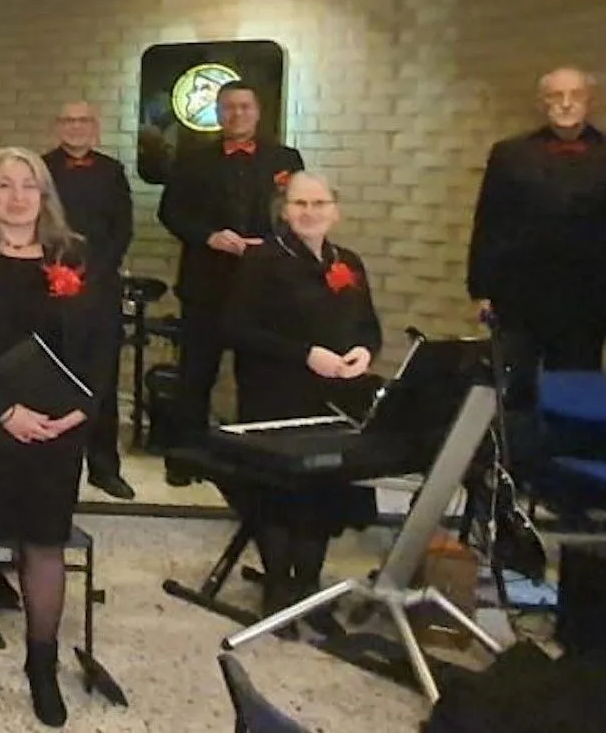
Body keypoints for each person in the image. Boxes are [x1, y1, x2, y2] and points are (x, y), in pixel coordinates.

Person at [0, 148, 109, 728]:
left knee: (44, 545)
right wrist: (4, 410)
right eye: (3, 185)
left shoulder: (74, 254)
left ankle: (42, 667)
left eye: (27, 186)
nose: (15, 197)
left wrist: (82, 409)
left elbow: (103, 340)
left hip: (58, 429)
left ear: (45, 194)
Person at [221, 171, 381, 622]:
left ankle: (308, 587)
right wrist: (306, 354)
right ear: (285, 210)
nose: (309, 213)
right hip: (276, 394)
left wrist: (363, 352)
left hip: (336, 397)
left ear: (336, 209)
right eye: (300, 204)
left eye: (319, 204)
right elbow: (237, 328)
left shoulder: (348, 261)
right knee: (280, 495)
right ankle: (277, 587)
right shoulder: (262, 260)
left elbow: (368, 326)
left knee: (323, 495)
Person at [466, 67, 606, 463]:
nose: (565, 104)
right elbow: (490, 222)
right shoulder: (510, 154)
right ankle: (514, 474)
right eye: (555, 96)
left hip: (587, 298)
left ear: (589, 101)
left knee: (578, 386)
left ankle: (572, 482)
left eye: (575, 95)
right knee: (516, 387)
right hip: (519, 294)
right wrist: (481, 289)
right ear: (542, 102)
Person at [156, 81, 302, 478]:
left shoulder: (284, 158)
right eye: (228, 108)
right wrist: (209, 236)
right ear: (218, 114)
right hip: (206, 284)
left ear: (257, 112)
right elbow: (170, 212)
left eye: (244, 107)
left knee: (256, 379)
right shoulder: (192, 159)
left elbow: (296, 213)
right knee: (195, 375)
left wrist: (270, 242)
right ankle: (184, 460)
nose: (236, 115)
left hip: (262, 286)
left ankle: (252, 461)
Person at [44, 102, 137, 500]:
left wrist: (91, 273)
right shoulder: (41, 168)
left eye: (83, 121)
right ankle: (50, 463)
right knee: (50, 376)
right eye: (68, 120)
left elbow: (122, 229)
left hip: (99, 288)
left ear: (95, 128)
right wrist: (55, 271)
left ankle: (103, 467)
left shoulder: (112, 172)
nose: (76, 127)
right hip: (48, 286)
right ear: (57, 126)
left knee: (102, 377)